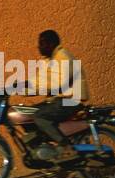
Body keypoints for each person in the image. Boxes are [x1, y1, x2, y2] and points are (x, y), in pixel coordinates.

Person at [27, 29, 89, 161]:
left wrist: (35, 88)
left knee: (40, 116)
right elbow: (39, 80)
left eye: (42, 43)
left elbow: (58, 82)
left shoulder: (63, 57)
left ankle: (66, 146)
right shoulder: (48, 60)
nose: (39, 47)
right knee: (29, 112)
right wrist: (17, 88)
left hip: (71, 100)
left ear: (51, 44)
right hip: (58, 100)